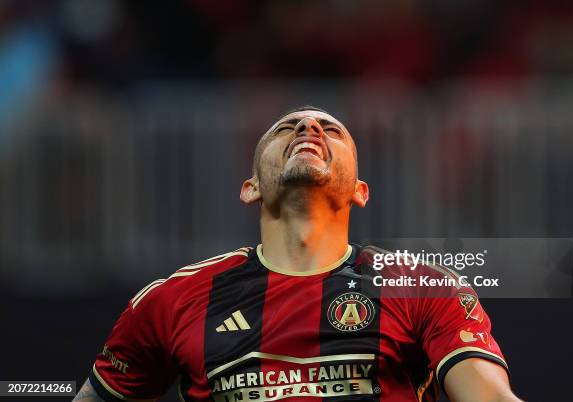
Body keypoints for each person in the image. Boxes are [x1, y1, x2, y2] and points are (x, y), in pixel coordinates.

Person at [74, 106, 521, 401]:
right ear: (250, 188)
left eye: (331, 131)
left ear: (359, 191)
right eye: (286, 129)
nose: (309, 129)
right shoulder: (170, 301)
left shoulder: (423, 288)